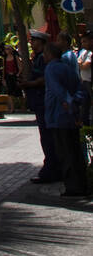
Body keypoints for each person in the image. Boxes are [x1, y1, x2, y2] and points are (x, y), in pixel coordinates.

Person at [43, 40, 88, 197]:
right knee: (75, 151)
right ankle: (82, 183)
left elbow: (57, 90)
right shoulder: (67, 68)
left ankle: (73, 187)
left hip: (58, 115)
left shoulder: (50, 69)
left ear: (49, 54)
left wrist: (68, 103)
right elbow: (80, 89)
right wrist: (75, 104)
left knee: (65, 152)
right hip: (70, 116)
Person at [23, 30, 61, 183]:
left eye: (34, 40)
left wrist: (28, 84)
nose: (31, 43)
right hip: (40, 102)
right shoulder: (38, 58)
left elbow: (44, 79)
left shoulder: (43, 59)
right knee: (46, 138)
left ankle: (51, 170)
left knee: (48, 138)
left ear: (42, 42)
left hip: (43, 102)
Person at [78, 27, 92, 126]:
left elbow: (85, 66)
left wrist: (80, 64)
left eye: (85, 41)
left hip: (90, 82)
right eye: (82, 42)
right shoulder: (83, 52)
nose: (83, 44)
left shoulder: (91, 53)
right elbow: (79, 63)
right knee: (84, 107)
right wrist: (80, 64)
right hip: (84, 82)